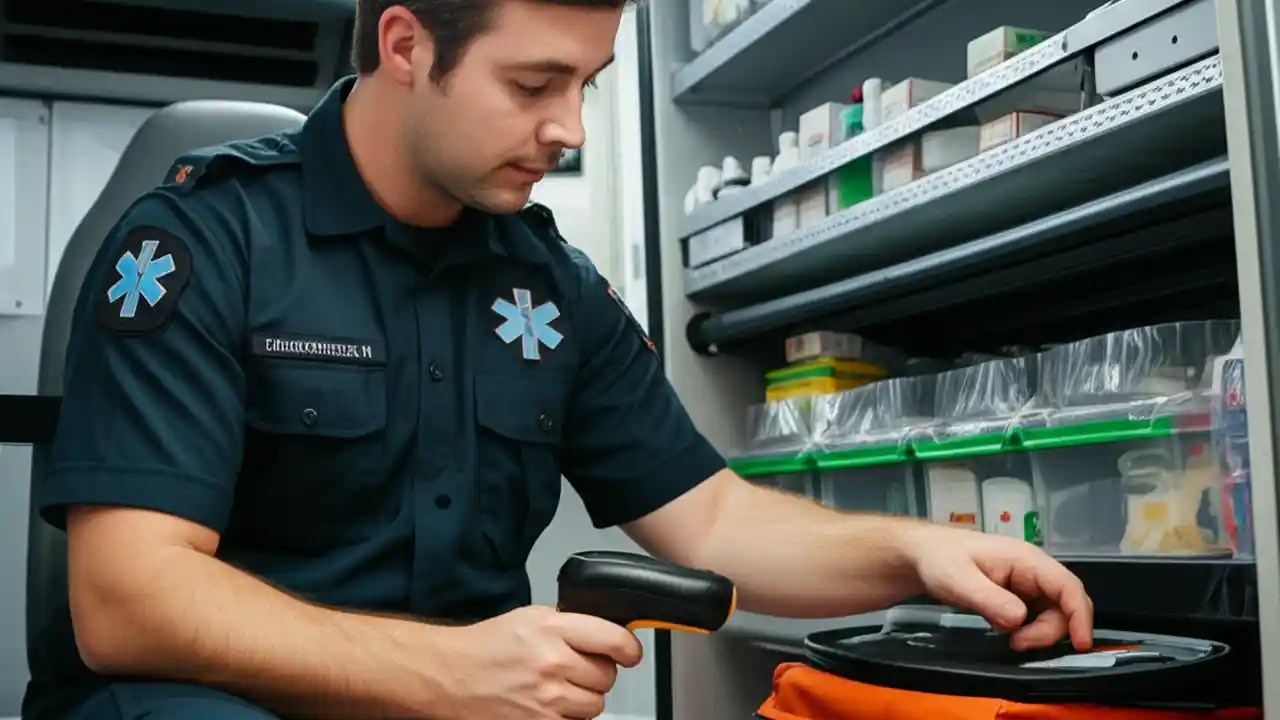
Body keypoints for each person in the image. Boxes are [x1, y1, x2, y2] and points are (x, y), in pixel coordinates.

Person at [26, 1, 1094, 719]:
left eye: (586, 82)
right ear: (406, 47)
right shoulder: (203, 244)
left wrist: (914, 554)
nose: (569, 126)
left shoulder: (548, 285)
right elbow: (128, 602)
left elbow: (713, 522)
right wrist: (448, 670)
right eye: (534, 83)